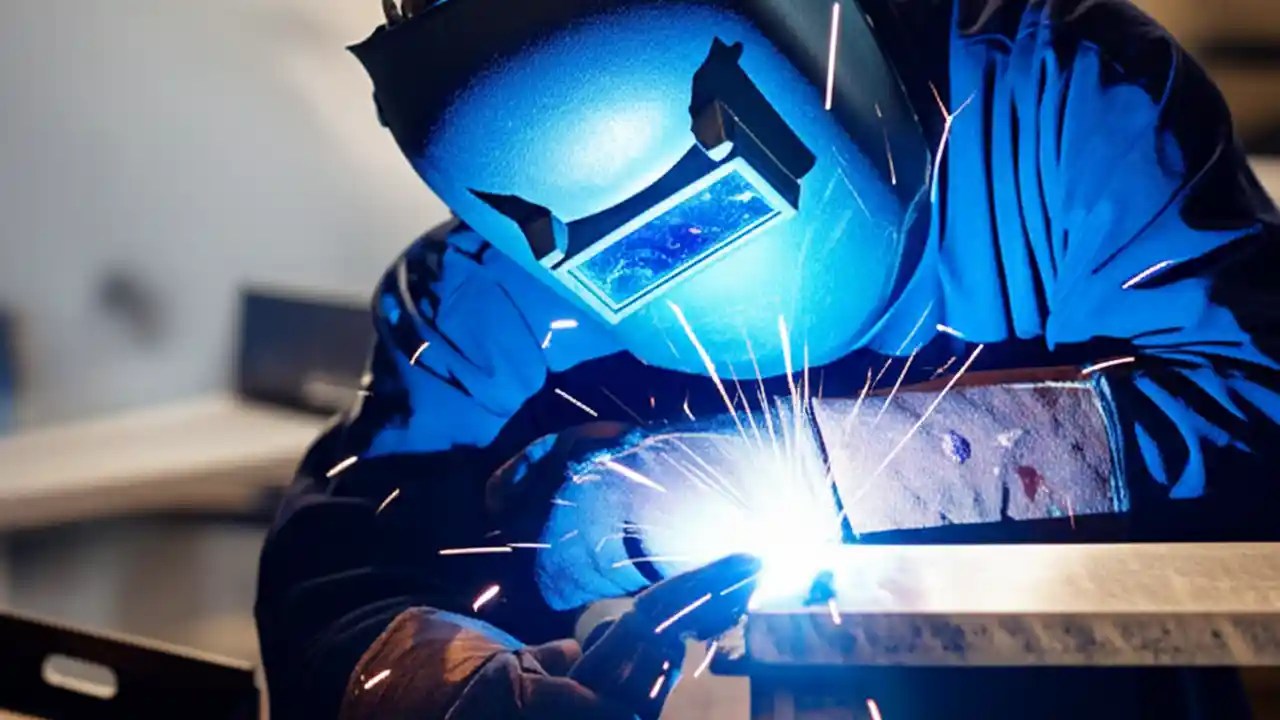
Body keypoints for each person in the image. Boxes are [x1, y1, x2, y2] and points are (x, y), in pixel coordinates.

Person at [255, 0, 1280, 718]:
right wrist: (451, 691)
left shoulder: (1048, 105)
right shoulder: (492, 285)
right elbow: (345, 552)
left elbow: (1257, 415)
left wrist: (787, 475)